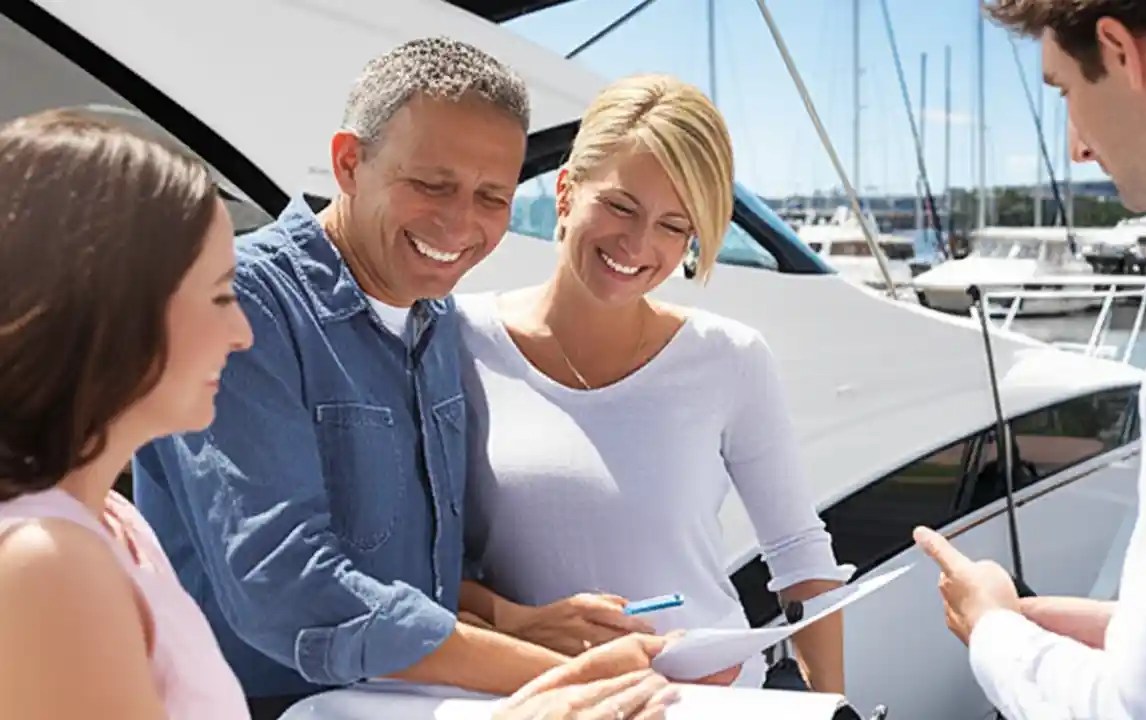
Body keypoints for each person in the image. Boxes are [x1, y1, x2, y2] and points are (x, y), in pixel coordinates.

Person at [130, 37, 676, 719]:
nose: (460, 223)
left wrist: (516, 621)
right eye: (431, 186)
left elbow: (410, 574)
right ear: (348, 164)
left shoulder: (436, 320)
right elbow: (286, 588)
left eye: (492, 196)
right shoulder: (240, 304)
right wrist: (567, 676)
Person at [913, 1, 1146, 718]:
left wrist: (993, 630)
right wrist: (1138, 632)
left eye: (1064, 91)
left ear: (1118, 50)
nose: (1077, 148)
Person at [455, 73, 853, 693]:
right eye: (620, 206)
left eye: (674, 225)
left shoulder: (731, 358)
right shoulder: (457, 339)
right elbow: (411, 563)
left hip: (710, 699)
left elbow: (800, 552)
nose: (638, 244)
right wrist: (517, 621)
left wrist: (830, 708)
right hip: (542, 700)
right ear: (565, 191)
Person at [0, 109, 253, 718]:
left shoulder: (115, 523)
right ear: (112, 308)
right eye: (221, 295)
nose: (242, 333)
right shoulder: (48, 564)